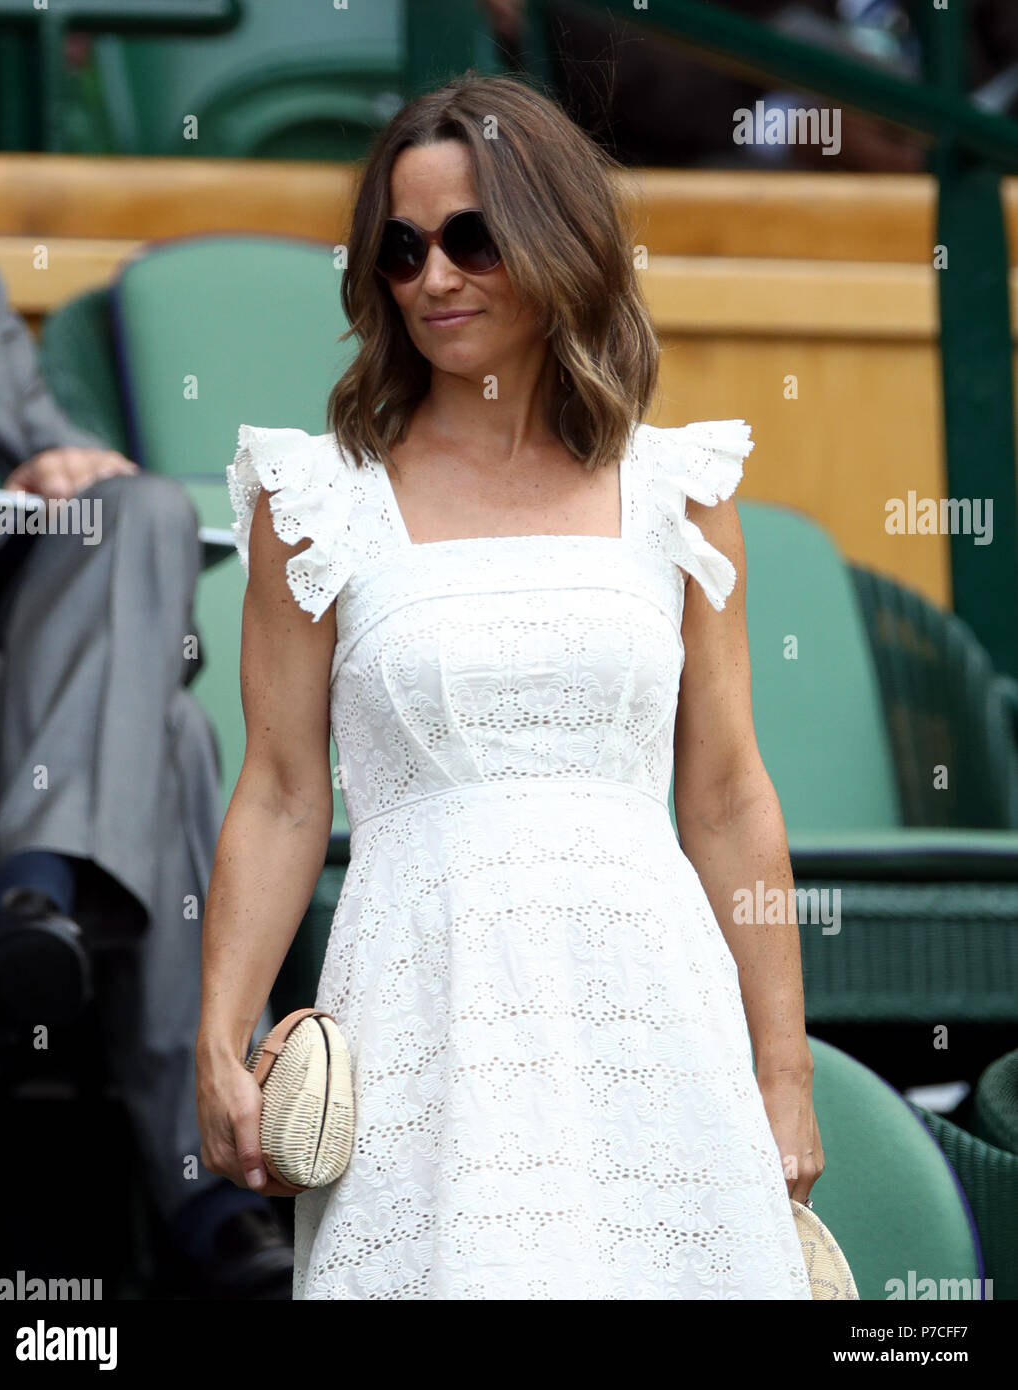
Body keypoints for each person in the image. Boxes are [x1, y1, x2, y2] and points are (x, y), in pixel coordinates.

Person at [198, 70, 823, 1299]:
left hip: (657, 1024)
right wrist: (220, 1036)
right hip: (423, 1020)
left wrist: (782, 1075)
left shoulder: (680, 492)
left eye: (472, 239)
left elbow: (727, 798)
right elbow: (277, 794)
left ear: (555, 240)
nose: (433, 277)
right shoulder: (313, 501)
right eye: (400, 247)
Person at [0, 248, 293, 1298]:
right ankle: (218, 1186)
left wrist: (65, 469)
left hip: (26, 666)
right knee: (168, 740)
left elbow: (58, 445)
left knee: (139, 508)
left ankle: (38, 904)